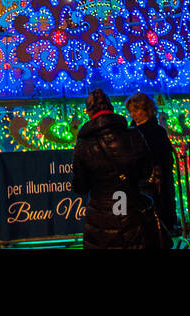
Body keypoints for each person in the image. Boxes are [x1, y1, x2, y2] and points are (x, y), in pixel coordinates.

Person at [70, 88, 157, 249]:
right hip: (131, 210)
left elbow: (80, 186)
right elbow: (146, 171)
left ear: (89, 112)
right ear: (111, 109)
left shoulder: (83, 144)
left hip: (100, 217)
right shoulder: (133, 134)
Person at [125, 92, 179, 240]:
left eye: (136, 110)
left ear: (146, 110)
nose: (133, 114)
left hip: (157, 179)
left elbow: (166, 157)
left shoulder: (157, 131)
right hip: (139, 179)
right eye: (131, 111)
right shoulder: (130, 132)